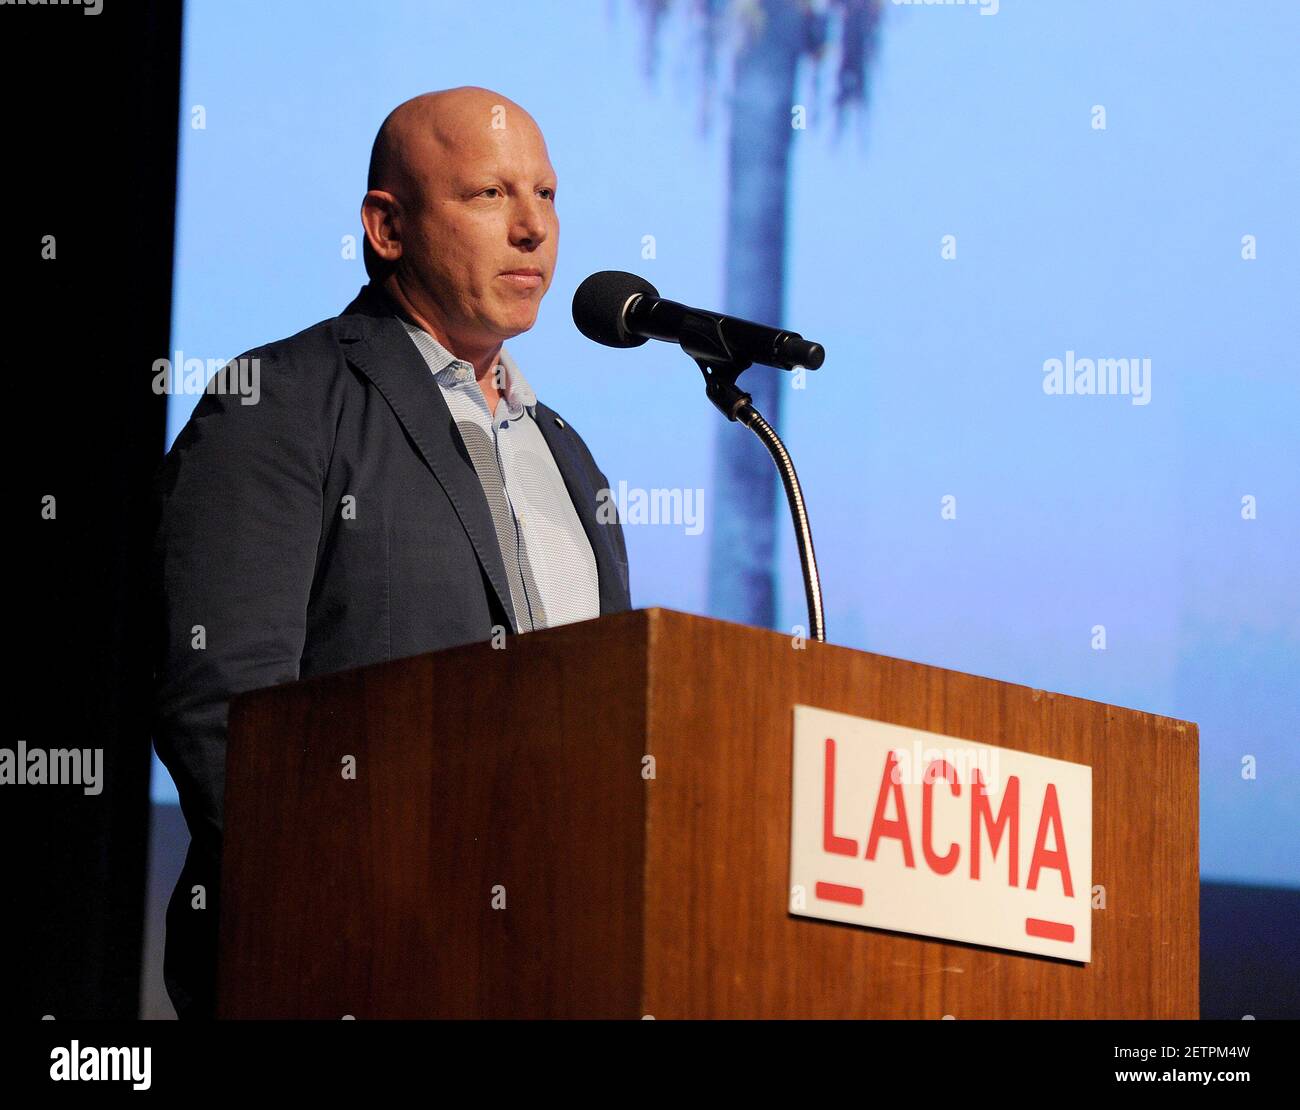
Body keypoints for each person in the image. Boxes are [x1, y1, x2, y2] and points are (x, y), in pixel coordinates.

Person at [150, 86, 631, 1019]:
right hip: (350, 969)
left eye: (547, 193)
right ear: (387, 227)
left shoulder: (566, 456)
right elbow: (224, 714)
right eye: (489, 196)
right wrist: (378, 922)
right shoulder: (281, 402)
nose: (534, 228)